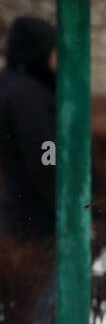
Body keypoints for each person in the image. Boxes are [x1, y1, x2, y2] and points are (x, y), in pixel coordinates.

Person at [0, 17, 59, 324]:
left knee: (15, 315)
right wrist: (69, 210)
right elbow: (45, 162)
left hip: (12, 223)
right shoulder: (30, 97)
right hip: (31, 225)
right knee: (40, 315)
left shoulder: (9, 88)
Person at [0, 17, 58, 243]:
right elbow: (43, 151)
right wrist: (64, 199)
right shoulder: (29, 95)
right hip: (33, 219)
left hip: (15, 213)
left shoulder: (10, 86)